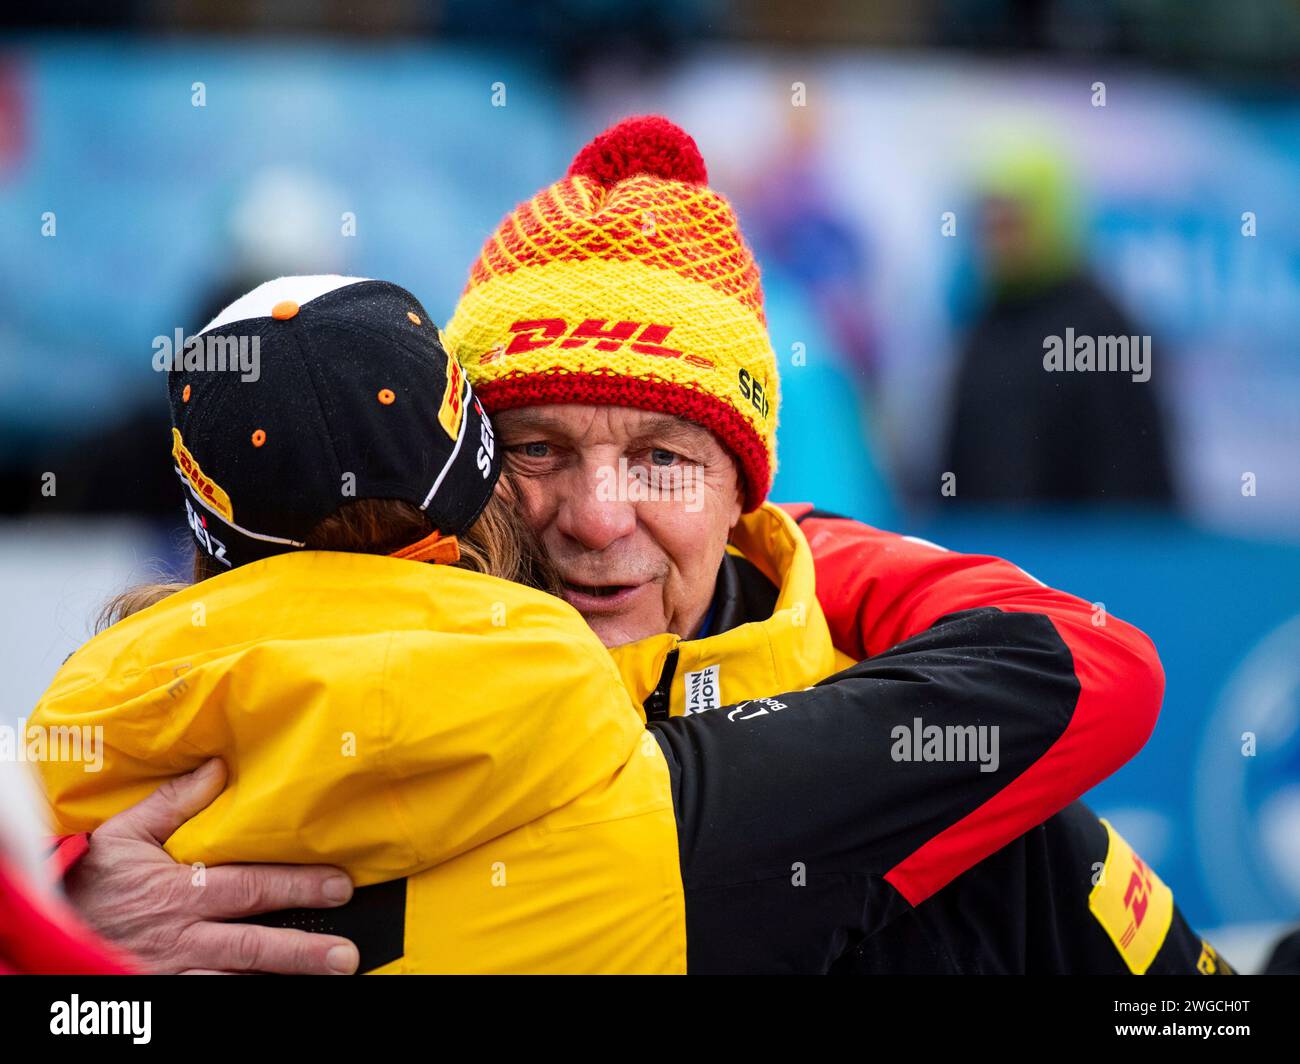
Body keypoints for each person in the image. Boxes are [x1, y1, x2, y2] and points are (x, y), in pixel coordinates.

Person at [54, 118, 1172, 974]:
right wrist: (59, 919)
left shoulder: (954, 795)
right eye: (537, 448)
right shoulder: (316, 713)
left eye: (663, 457)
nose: (597, 517)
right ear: (473, 468)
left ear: (744, 486)